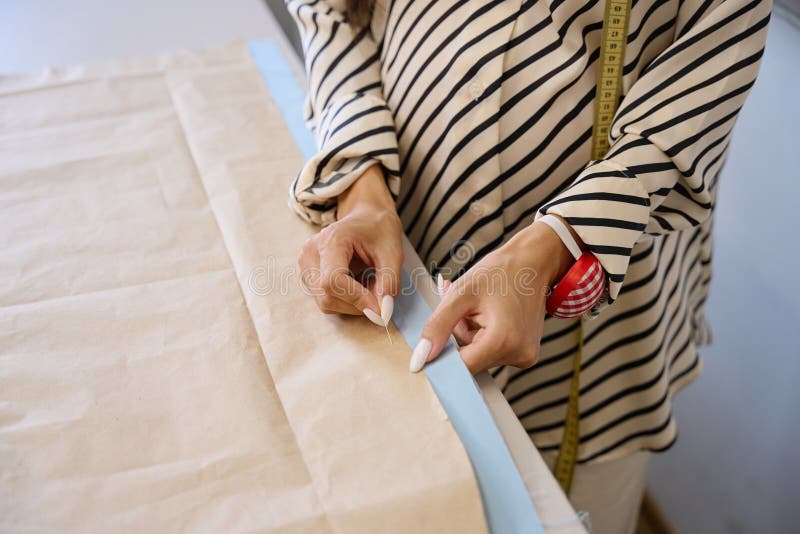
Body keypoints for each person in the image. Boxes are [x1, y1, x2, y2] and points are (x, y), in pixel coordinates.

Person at [285, 0, 771, 531]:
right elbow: (327, 12)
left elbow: (700, 86)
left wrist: (558, 243)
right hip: (401, 240)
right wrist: (361, 188)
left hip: (595, 319)